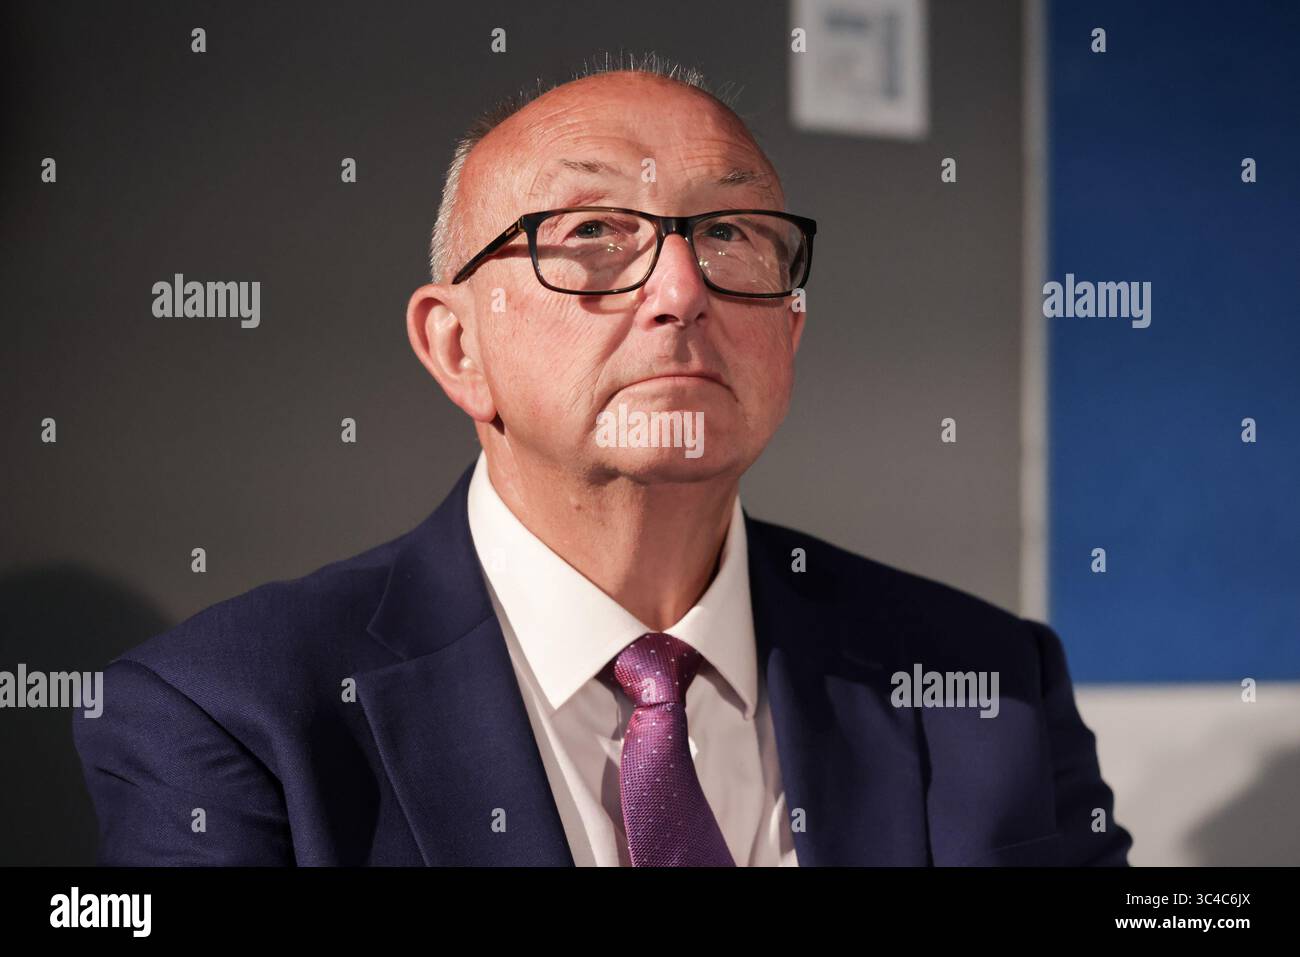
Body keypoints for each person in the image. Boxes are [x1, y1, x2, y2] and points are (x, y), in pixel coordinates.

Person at [74, 55, 1131, 866]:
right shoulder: (232, 712)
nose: (681, 290)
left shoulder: (985, 684)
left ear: (790, 333)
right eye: (589, 234)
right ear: (457, 346)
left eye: (728, 232)